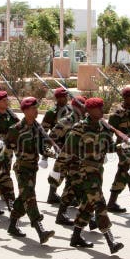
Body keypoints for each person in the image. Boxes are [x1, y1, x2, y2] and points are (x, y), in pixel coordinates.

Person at [63, 97, 126, 254]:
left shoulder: (102, 127)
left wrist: (122, 145)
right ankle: (111, 240)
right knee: (99, 203)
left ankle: (76, 236)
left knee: (88, 205)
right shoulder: (79, 128)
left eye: (102, 107)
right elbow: (67, 150)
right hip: (84, 171)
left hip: (98, 171)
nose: (102, 111)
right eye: (99, 108)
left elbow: (109, 148)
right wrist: (56, 171)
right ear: (90, 111)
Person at [2, 97, 56, 243]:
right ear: (25, 111)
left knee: (23, 197)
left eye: (36, 107)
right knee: (30, 197)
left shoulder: (37, 127)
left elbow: (41, 147)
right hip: (21, 168)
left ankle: (12, 225)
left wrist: (50, 152)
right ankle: (40, 230)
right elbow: (7, 149)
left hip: (33, 168)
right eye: (33, 108)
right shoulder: (16, 129)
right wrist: (0, 168)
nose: (36, 110)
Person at [105, 86, 130, 213]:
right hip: (123, 147)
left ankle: (111, 203)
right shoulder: (117, 114)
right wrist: (107, 149)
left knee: (123, 173)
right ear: (125, 98)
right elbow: (108, 133)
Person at [50, 95, 87, 227]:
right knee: (72, 184)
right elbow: (52, 136)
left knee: (72, 185)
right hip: (68, 158)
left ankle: (62, 213)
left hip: (79, 159)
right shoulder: (67, 120)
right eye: (82, 106)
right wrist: (56, 150)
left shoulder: (84, 120)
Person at [41, 87, 73, 203]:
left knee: (72, 171)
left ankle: (69, 196)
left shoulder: (71, 109)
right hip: (58, 145)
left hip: (70, 144)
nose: (64, 99)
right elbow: (44, 131)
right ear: (57, 98)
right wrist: (45, 154)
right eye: (61, 97)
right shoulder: (51, 112)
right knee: (60, 170)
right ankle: (52, 194)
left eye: (65, 96)